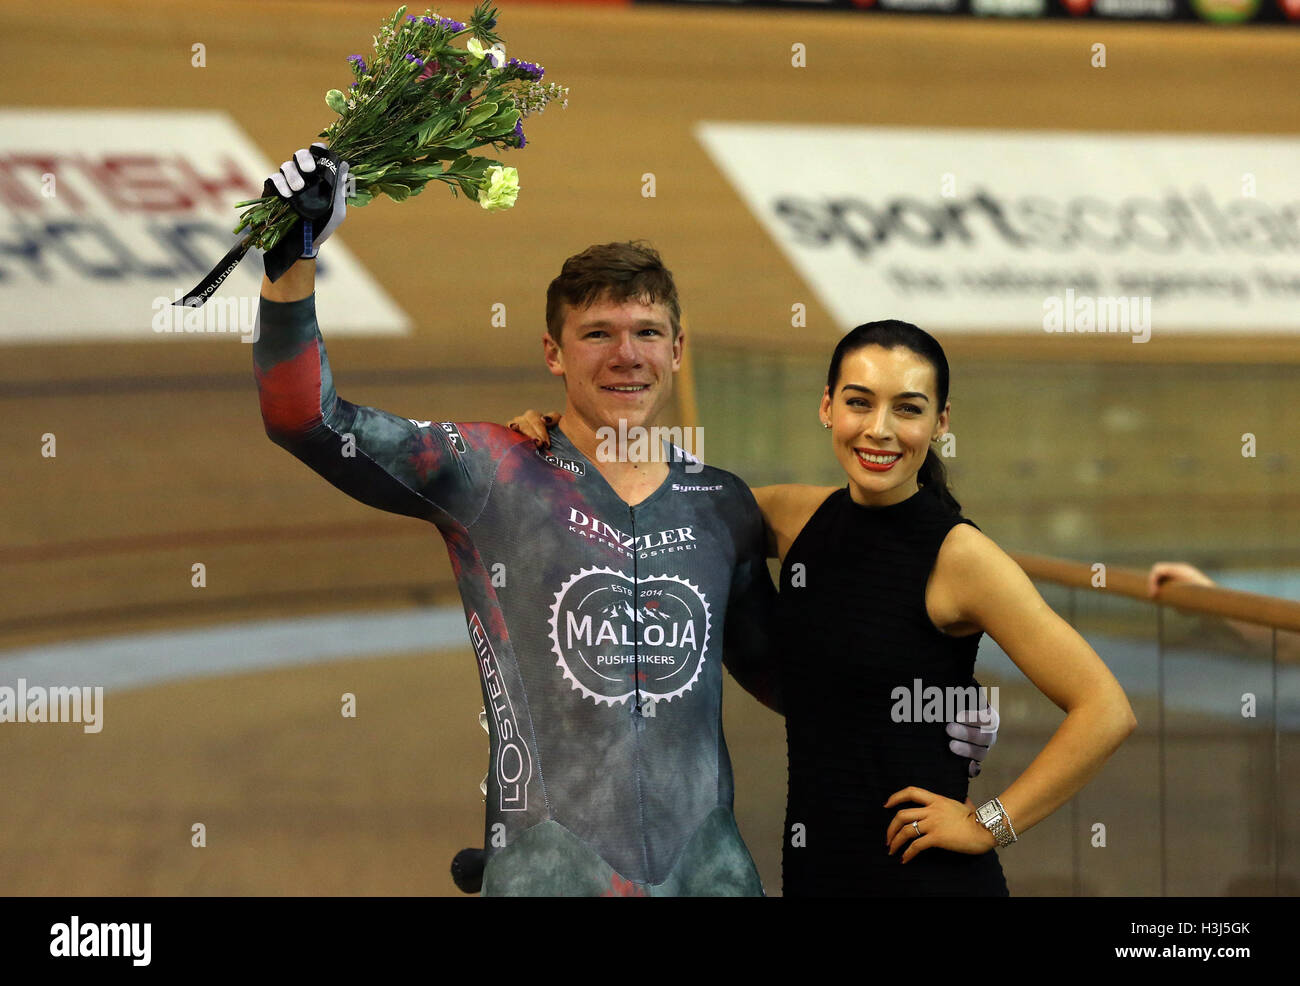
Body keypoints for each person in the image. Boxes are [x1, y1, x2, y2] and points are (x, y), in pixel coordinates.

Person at [252, 146, 993, 896]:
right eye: (597, 333)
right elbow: (305, 419)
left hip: (709, 876)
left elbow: (798, 682)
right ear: (553, 351)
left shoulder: (721, 504)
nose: (626, 356)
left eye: (645, 332)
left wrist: (932, 711)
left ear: (677, 350)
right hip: (551, 875)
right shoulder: (490, 469)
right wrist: (292, 263)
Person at [513, 319, 1136, 896]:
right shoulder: (794, 516)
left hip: (925, 878)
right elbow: (657, 507)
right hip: (816, 870)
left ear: (941, 421)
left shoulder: (961, 557)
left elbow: (1105, 710)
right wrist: (566, 441)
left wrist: (988, 823)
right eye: (859, 402)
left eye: (909, 409)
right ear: (827, 406)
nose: (880, 429)